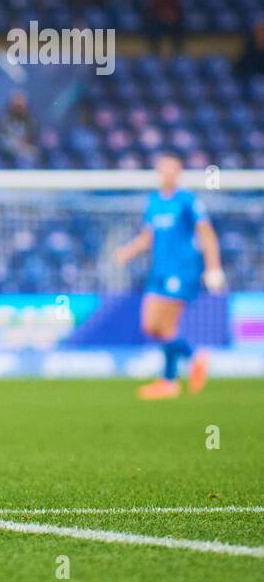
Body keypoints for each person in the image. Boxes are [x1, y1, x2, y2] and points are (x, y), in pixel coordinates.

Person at [113, 154, 225, 400]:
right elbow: (147, 237)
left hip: (182, 271)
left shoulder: (187, 201)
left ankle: (185, 365)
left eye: (173, 170)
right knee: (158, 327)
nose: (168, 175)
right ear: (159, 173)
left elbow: (207, 234)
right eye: (164, 170)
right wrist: (128, 251)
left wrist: (213, 267)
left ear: (179, 173)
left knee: (158, 325)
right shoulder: (153, 201)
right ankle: (173, 377)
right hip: (159, 271)